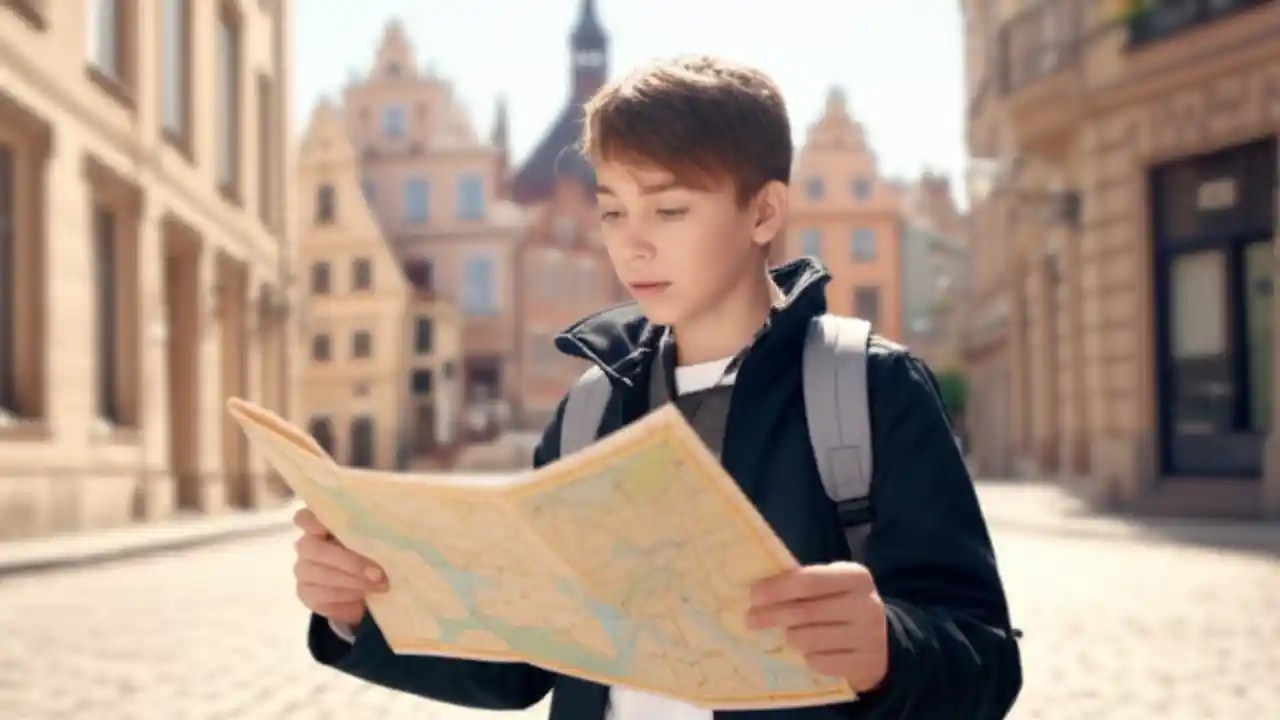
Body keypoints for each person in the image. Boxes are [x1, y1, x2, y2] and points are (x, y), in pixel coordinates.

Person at [293, 55, 1023, 719]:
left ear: (764, 212)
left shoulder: (872, 388)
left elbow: (986, 662)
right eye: (612, 209)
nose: (631, 243)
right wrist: (359, 614)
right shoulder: (591, 407)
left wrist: (888, 650)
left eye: (669, 210)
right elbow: (523, 659)